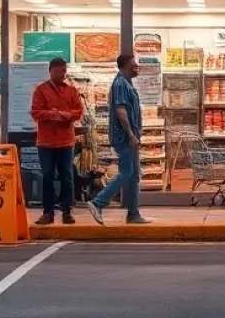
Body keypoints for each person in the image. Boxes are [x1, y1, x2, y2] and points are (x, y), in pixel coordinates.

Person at [88, 54, 151, 225]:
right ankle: (97, 202)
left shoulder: (126, 83)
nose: (137, 66)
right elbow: (120, 111)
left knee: (134, 175)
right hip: (124, 137)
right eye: (134, 64)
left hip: (131, 137)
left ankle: (133, 214)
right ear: (124, 65)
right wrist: (130, 134)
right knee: (127, 172)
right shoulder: (120, 84)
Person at [30, 57, 84, 225]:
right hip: (46, 143)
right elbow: (36, 112)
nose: (63, 74)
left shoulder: (71, 91)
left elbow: (78, 112)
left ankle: (67, 211)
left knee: (67, 177)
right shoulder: (41, 90)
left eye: (64, 70)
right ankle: (48, 212)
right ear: (51, 70)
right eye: (60, 70)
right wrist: (59, 114)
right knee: (47, 177)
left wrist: (59, 114)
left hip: (66, 143)